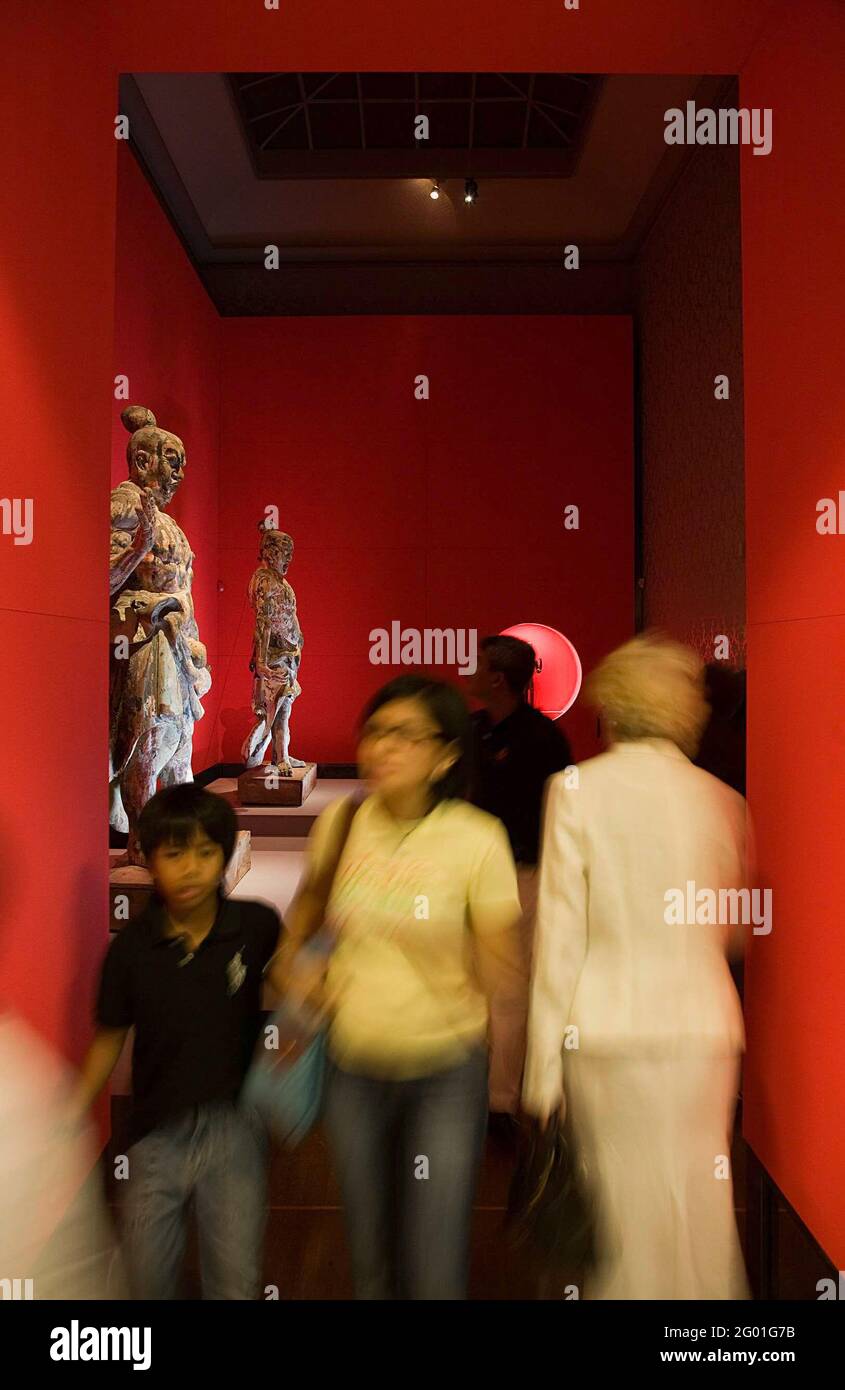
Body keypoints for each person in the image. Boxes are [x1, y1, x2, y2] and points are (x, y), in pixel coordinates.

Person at [271, 674, 524, 1299]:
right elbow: (303, 920)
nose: (382, 748)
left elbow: (503, 973)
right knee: (369, 1250)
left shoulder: (477, 838)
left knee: (435, 1256)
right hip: (352, 1066)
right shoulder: (342, 820)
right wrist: (296, 971)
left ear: (446, 754)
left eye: (404, 736)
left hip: (444, 1068)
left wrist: (439, 939)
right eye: (376, 732)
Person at [522, 632, 750, 1299]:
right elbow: (731, 932)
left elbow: (559, 938)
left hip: (608, 1032)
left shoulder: (576, 790)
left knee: (621, 1218)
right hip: (705, 1033)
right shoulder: (723, 802)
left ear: (611, 707)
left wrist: (538, 1077)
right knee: (699, 1210)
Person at [70, 784, 282, 1299]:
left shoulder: (254, 926)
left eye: (206, 853)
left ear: (224, 856)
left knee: (235, 1280)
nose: (190, 869)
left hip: (234, 1130)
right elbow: (109, 1038)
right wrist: (70, 1112)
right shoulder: (130, 953)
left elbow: (288, 985)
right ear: (148, 859)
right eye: (173, 853)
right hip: (153, 1134)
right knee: (147, 1279)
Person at [466, 635, 573, 1121]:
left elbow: (561, 817)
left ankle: (501, 1100)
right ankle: (478, 1089)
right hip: (467, 877)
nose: (471, 669)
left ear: (498, 679)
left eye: (480, 664)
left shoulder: (542, 742)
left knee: (509, 991)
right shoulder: (470, 732)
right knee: (473, 982)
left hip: (521, 876)